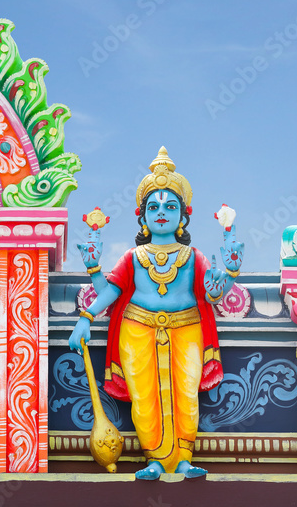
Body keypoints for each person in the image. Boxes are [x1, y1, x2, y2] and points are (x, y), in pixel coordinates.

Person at [69, 147, 242, 480]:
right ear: (142, 216)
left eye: (170, 206)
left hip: (187, 328)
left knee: (185, 394)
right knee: (144, 396)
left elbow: (211, 294)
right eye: (154, 206)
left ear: (183, 217)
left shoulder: (193, 256)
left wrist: (228, 277)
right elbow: (112, 290)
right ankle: (155, 459)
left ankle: (183, 459)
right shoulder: (134, 256)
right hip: (137, 329)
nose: (161, 212)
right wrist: (85, 319)